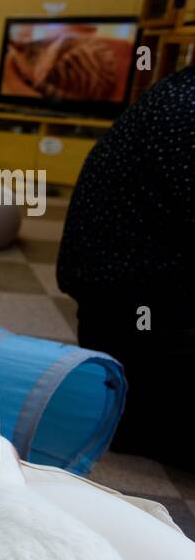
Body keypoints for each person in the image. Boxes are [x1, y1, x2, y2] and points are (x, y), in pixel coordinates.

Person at [56, 64, 195, 472]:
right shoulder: (185, 112)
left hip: (128, 287)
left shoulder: (178, 92)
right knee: (147, 421)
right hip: (134, 299)